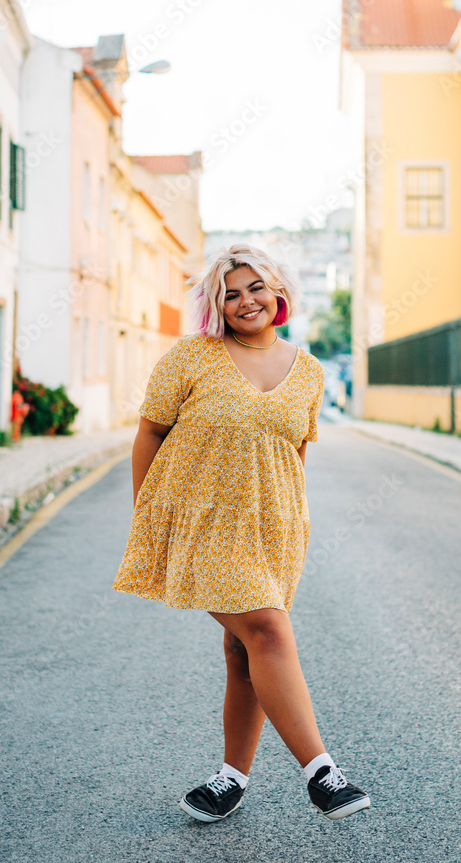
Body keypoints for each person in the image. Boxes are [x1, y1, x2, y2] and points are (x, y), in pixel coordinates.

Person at [111, 244, 370, 823]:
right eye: (231, 293)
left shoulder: (308, 370)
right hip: (200, 522)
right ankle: (323, 773)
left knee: (241, 649)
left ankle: (231, 778)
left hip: (273, 530)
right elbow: (150, 433)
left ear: (279, 291)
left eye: (256, 287)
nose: (246, 300)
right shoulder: (192, 357)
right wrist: (147, 519)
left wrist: (288, 522)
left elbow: (293, 453)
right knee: (268, 633)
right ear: (217, 305)